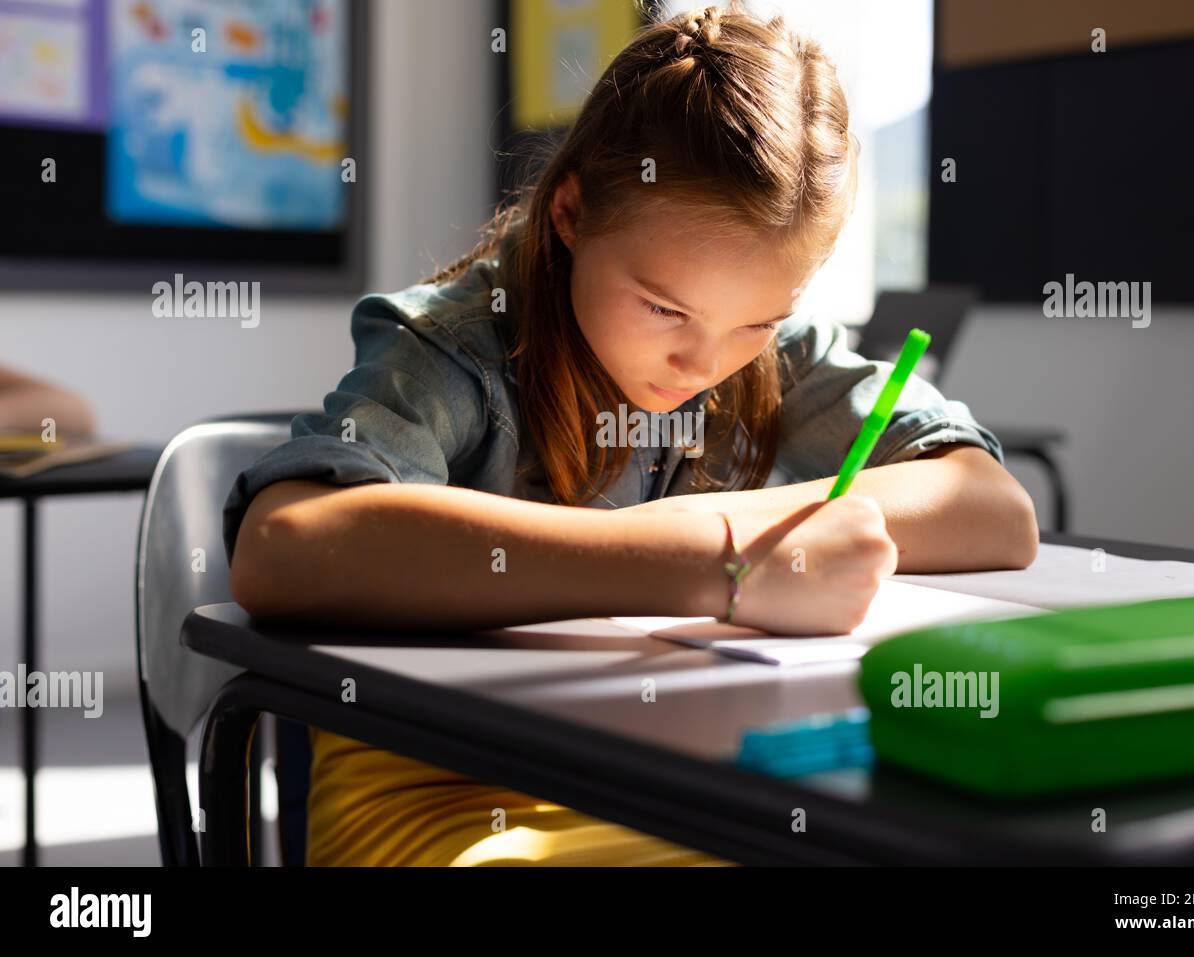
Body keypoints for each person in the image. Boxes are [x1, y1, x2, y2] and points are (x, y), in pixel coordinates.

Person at [223, 3, 1038, 866]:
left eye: (758, 320)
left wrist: (755, 541)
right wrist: (716, 563)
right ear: (571, 211)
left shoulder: (776, 355)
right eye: (662, 306)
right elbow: (281, 547)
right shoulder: (458, 348)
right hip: (442, 781)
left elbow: (992, 506)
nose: (704, 360)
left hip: (672, 761)